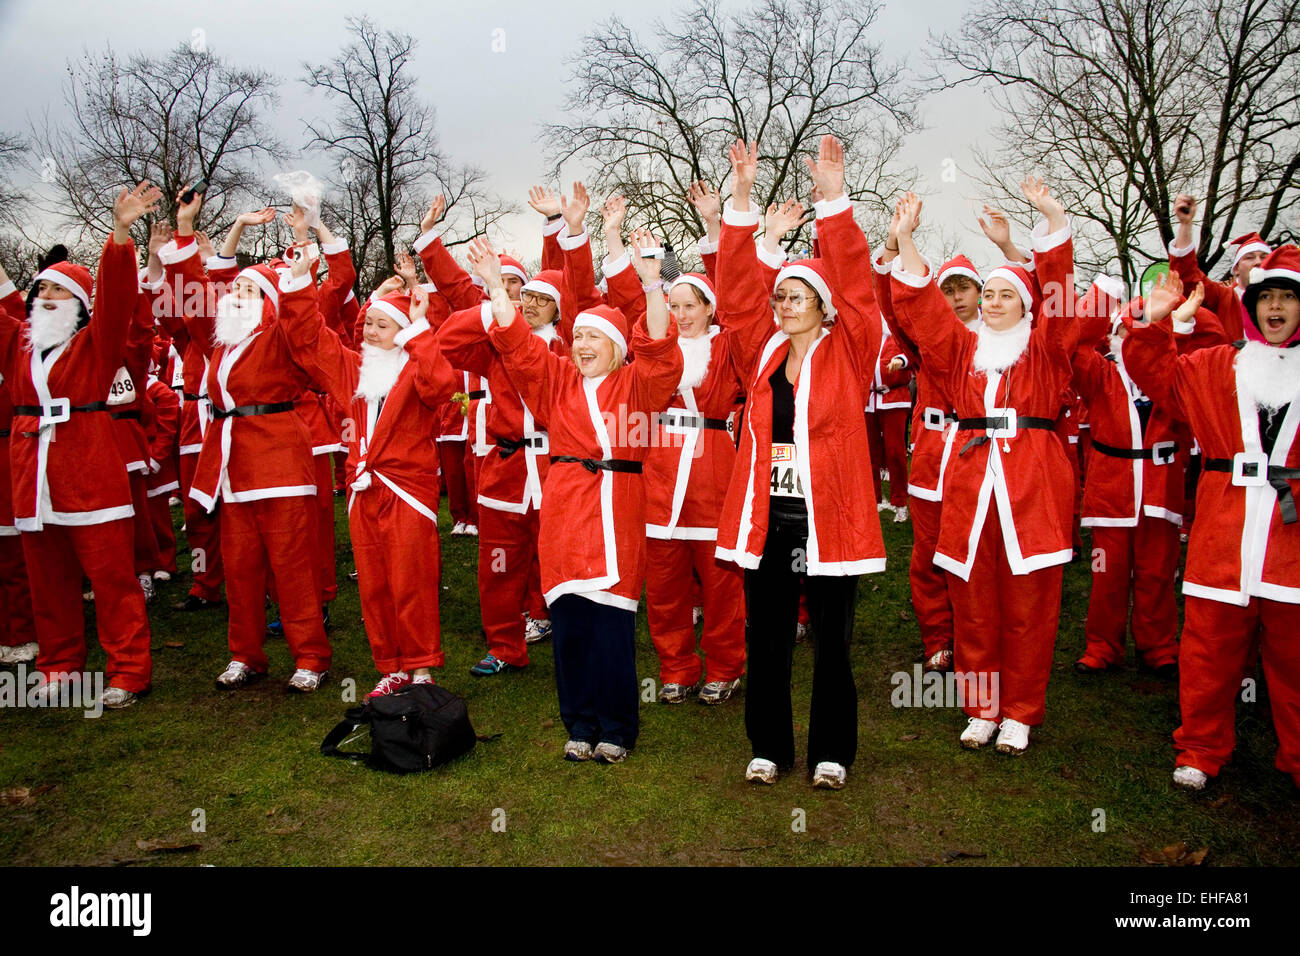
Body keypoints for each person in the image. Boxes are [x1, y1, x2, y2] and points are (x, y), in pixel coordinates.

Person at [468, 228, 682, 763]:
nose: (583, 346)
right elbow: (517, 345)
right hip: (565, 511)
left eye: (596, 338)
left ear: (616, 346)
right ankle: (579, 723)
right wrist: (497, 286)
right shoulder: (557, 382)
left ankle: (616, 727)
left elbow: (660, 350)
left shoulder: (638, 386)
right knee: (569, 627)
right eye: (579, 337)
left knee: (611, 627)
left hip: (615, 507)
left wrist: (652, 284)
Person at [714, 135, 887, 790]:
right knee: (768, 639)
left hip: (829, 519)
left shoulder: (852, 347)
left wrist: (834, 201)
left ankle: (832, 752)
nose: (781, 304)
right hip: (769, 520)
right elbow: (734, 292)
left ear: (823, 306)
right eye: (779, 295)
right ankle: (768, 746)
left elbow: (855, 280)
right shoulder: (761, 349)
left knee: (834, 647)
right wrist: (740, 199)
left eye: (795, 297)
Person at [889, 180, 1077, 756]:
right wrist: (903, 239)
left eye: (1005, 295)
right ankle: (980, 705)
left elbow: (1063, 300)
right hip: (970, 490)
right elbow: (924, 312)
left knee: (1028, 606)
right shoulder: (961, 353)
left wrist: (1049, 223)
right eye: (987, 295)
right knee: (972, 603)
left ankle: (1020, 710)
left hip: (1032, 491)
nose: (992, 303)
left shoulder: (1045, 350)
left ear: (1025, 304)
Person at [1123, 248, 1300, 792]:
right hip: (1224, 531)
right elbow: (1156, 375)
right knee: (1207, 651)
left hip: (1291, 542)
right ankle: (1200, 747)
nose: (1275, 307)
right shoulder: (1217, 363)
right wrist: (1154, 321)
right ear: (1250, 306)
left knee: (1294, 660)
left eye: (1287, 298)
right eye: (1266, 296)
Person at [159, 193, 332, 693]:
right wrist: (186, 229)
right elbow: (193, 290)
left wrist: (302, 244)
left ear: (269, 305)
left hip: (279, 462)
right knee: (240, 568)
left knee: (292, 566)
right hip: (231, 467)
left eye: (249, 292)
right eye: (234, 290)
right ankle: (246, 654)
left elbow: (305, 315)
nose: (235, 296)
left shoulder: (283, 337)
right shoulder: (218, 341)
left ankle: (311, 657)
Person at [0, 181, 161, 708]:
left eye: (59, 292)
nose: (46, 299)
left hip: (89, 471)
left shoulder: (98, 342)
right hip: (33, 472)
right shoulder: (17, 343)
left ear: (80, 304)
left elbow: (118, 297)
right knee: (47, 580)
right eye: (41, 292)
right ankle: (59, 665)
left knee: (112, 580)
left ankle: (129, 671)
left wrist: (120, 232)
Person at [280, 257, 457, 696]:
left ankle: (419, 666)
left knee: (411, 580)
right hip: (364, 491)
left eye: (382, 325)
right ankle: (390, 665)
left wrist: (419, 329)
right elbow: (308, 338)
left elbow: (441, 385)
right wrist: (302, 278)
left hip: (407, 491)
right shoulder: (353, 370)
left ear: (402, 330)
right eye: (369, 324)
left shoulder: (416, 368)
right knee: (375, 584)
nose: (370, 332)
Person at [1168, 195, 1268, 343]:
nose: (1258, 262)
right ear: (1236, 270)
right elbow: (1189, 277)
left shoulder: (1290, 298)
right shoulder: (1224, 298)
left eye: (1264, 256)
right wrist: (1185, 224)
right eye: (1250, 257)